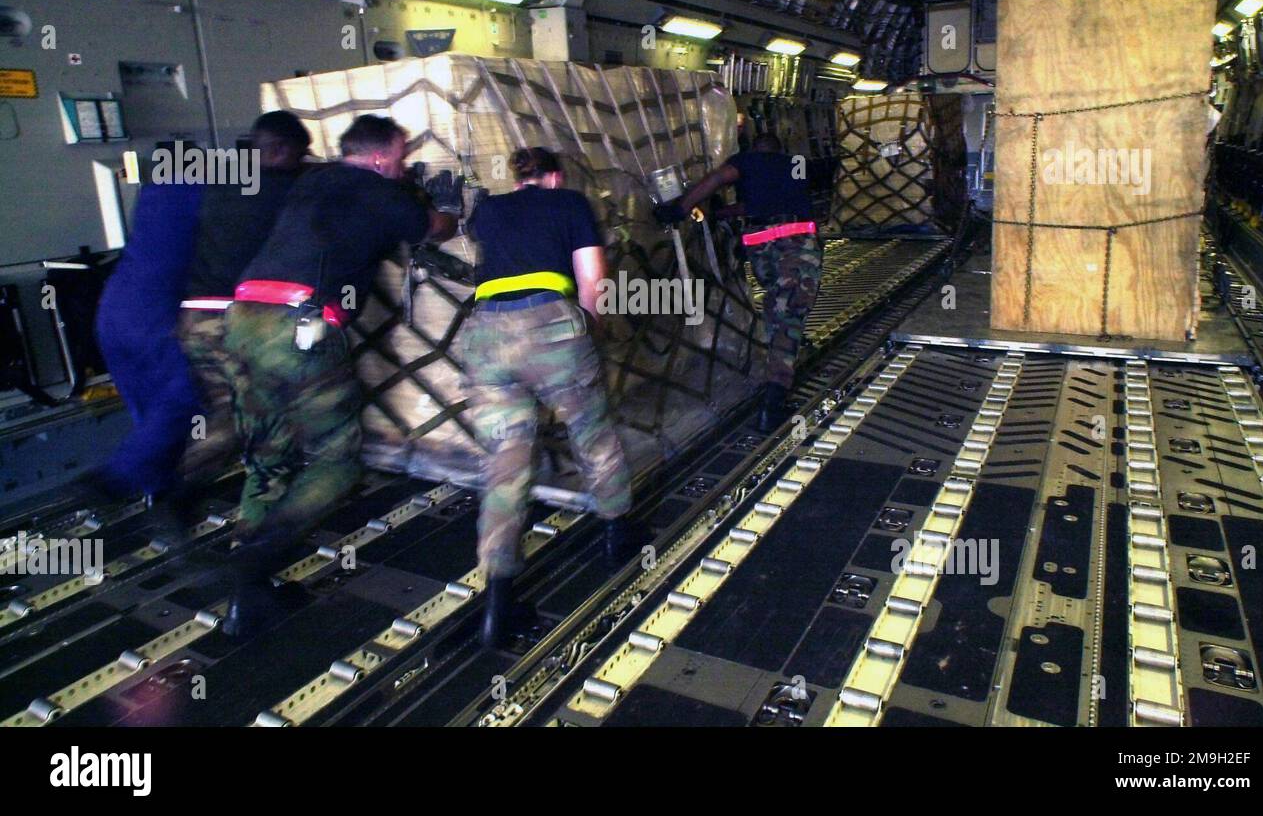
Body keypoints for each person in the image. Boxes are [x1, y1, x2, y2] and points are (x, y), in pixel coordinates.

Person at [220, 114, 455, 636]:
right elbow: (436, 231)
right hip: (296, 326)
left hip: (241, 318)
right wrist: (443, 205)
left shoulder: (315, 179)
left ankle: (247, 599)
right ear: (378, 158)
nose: (401, 164)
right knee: (338, 462)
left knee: (268, 454)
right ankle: (255, 559)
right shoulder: (380, 191)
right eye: (398, 155)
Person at [460, 146, 633, 648]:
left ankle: (497, 598)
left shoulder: (488, 209)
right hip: (549, 325)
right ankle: (617, 532)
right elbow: (592, 278)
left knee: (505, 461)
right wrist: (590, 328)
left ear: (518, 178)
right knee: (592, 431)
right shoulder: (571, 203)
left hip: (486, 334)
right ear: (555, 176)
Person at [177, 111, 313, 488]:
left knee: (223, 405)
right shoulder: (284, 192)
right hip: (235, 320)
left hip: (193, 316)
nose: (302, 164)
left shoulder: (221, 182)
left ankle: (189, 484)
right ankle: (189, 488)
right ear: (280, 149)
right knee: (253, 412)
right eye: (299, 155)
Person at [654, 132, 821, 433]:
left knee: (777, 309)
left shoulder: (745, 162)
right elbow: (768, 195)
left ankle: (780, 359)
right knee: (789, 318)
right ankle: (774, 401)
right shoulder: (796, 164)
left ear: (755, 149)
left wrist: (682, 207)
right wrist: (688, 208)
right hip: (796, 244)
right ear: (780, 150)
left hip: (761, 248)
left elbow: (724, 183)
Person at [91, 147, 204, 518]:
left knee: (147, 407)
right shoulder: (196, 190)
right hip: (151, 314)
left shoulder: (153, 191)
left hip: (114, 308)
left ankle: (162, 492)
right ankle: (118, 476)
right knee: (186, 394)